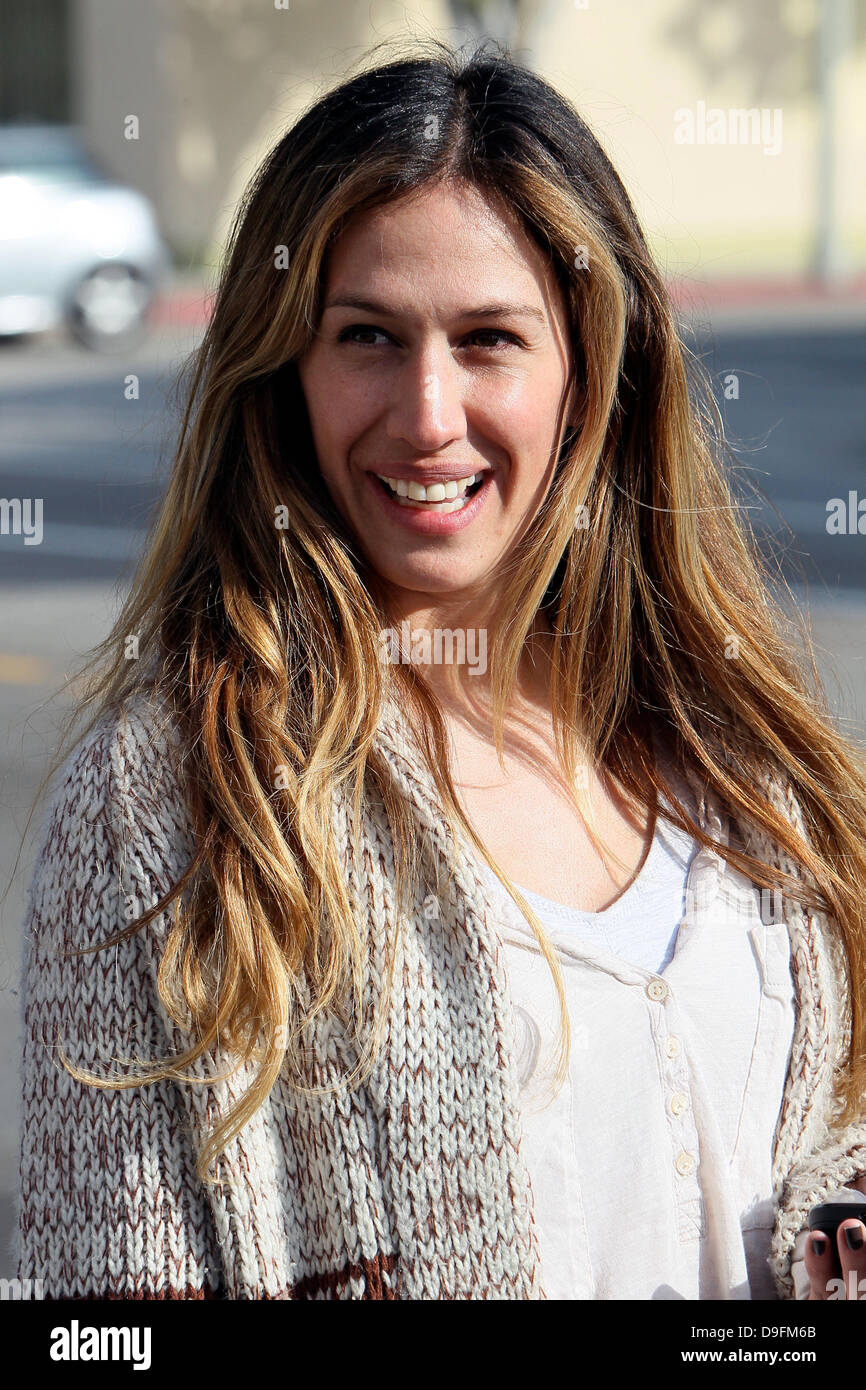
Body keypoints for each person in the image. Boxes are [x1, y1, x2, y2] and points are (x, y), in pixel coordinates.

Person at [14, 38, 866, 1301]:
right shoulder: (167, 810)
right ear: (284, 374)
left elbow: (802, 1133)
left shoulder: (745, 767)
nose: (425, 414)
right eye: (366, 336)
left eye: (486, 339)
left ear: (590, 374)